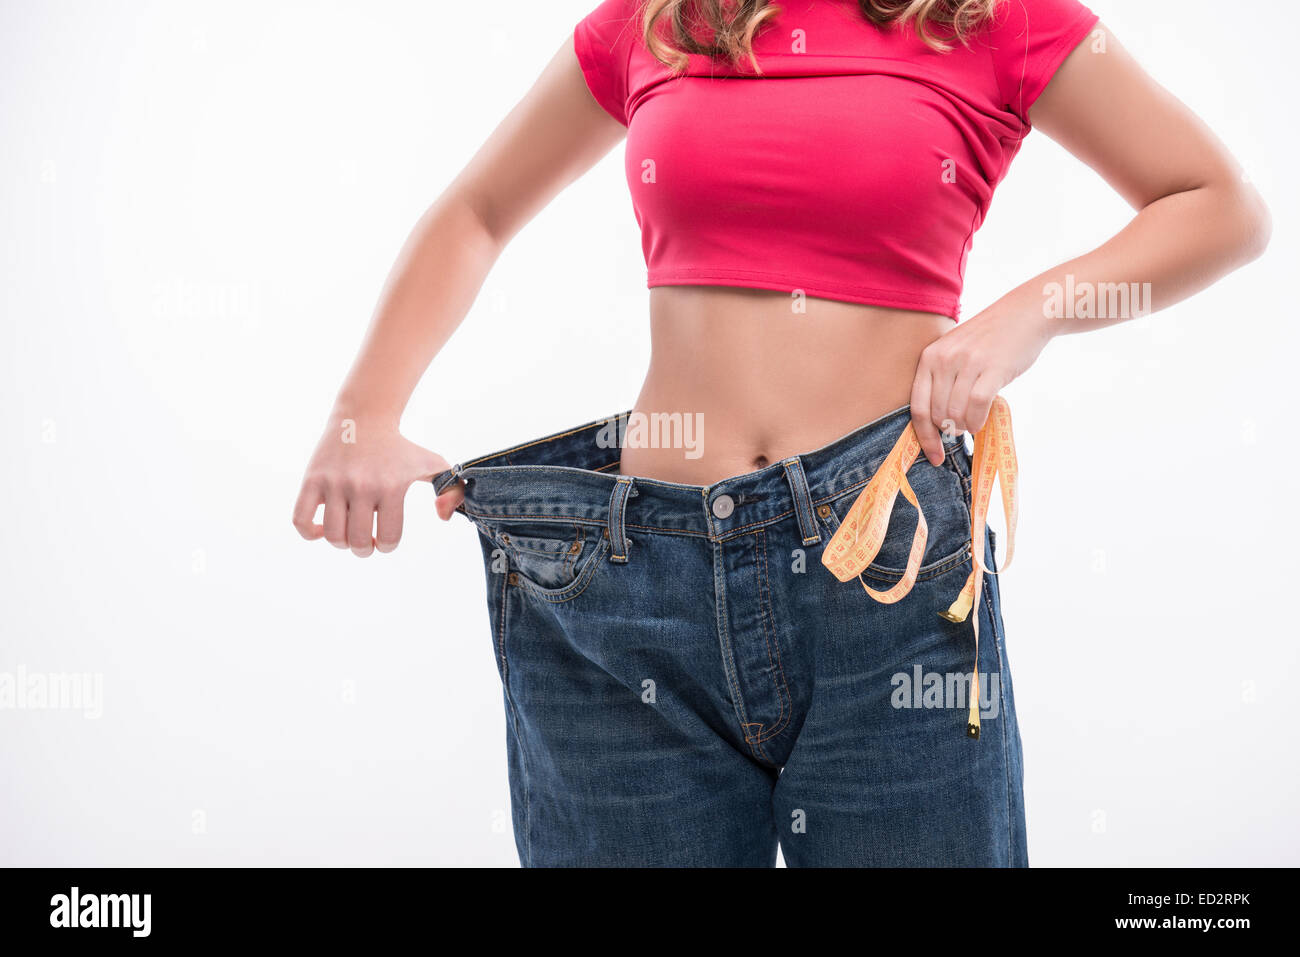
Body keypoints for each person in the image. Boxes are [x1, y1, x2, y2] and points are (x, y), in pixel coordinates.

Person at [292, 0, 1270, 866]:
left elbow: (1219, 204)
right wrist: (363, 414)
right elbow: (479, 207)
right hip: (632, 585)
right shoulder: (661, 18)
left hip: (886, 568)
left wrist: (1026, 317)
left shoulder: (990, 17)